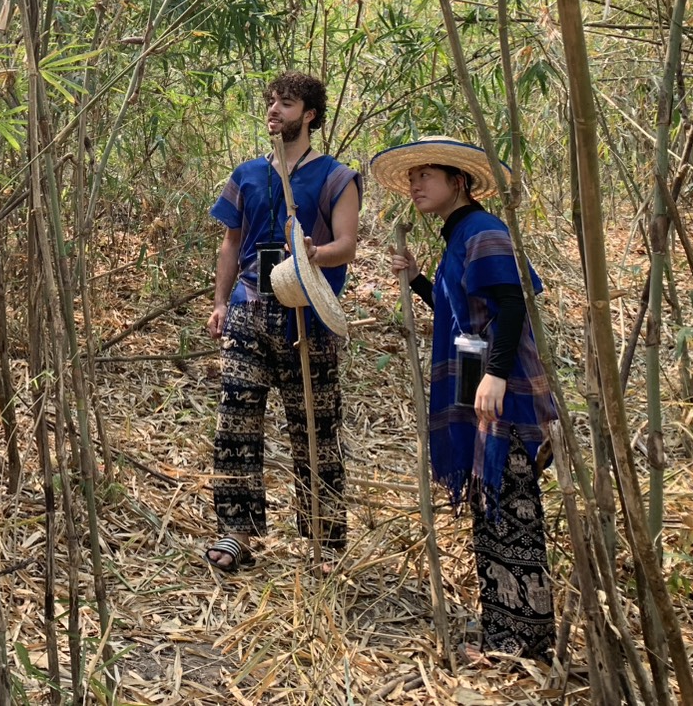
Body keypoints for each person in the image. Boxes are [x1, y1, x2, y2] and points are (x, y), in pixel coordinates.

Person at [370, 136, 556, 662]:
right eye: (413, 178)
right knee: (492, 508)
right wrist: (418, 280)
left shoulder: (483, 230)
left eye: (426, 176)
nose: (415, 185)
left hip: (505, 397)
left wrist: (495, 375)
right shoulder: (459, 236)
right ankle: (503, 632)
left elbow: (512, 304)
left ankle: (524, 641)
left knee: (510, 506)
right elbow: (460, 311)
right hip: (479, 391)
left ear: (458, 182)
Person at [206, 71, 361, 572]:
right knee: (236, 422)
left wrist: (314, 253)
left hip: (308, 313)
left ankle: (325, 541)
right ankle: (237, 532)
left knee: (315, 427)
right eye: (272, 101)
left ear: (309, 115)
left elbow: (346, 246)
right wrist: (221, 302)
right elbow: (231, 242)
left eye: (287, 103)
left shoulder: (336, 177)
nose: (274, 109)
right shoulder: (247, 174)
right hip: (249, 309)